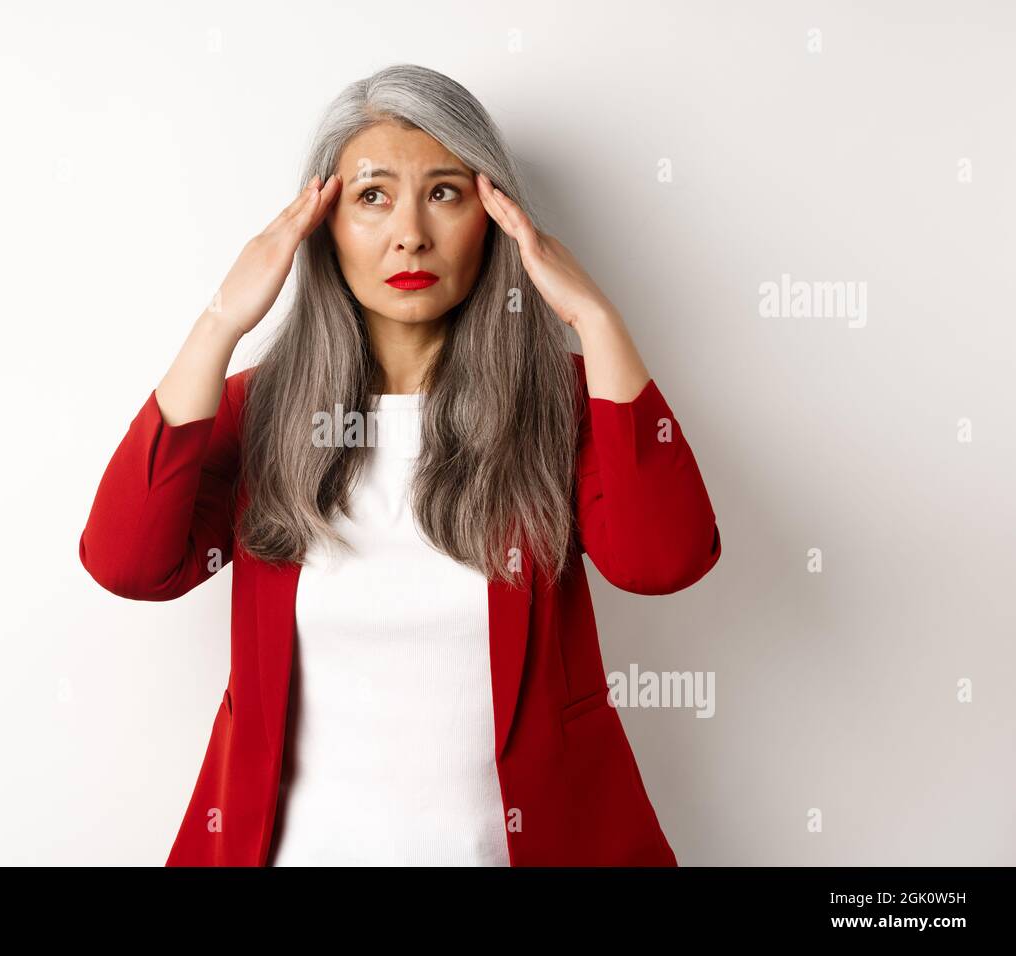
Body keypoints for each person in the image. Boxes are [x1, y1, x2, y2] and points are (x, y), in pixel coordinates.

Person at [78, 63, 722, 866]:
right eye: (372, 196)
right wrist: (222, 321)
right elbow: (128, 563)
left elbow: (662, 560)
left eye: (445, 193)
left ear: (495, 215)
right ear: (322, 222)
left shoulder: (562, 405)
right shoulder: (260, 414)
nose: (409, 233)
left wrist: (594, 319)